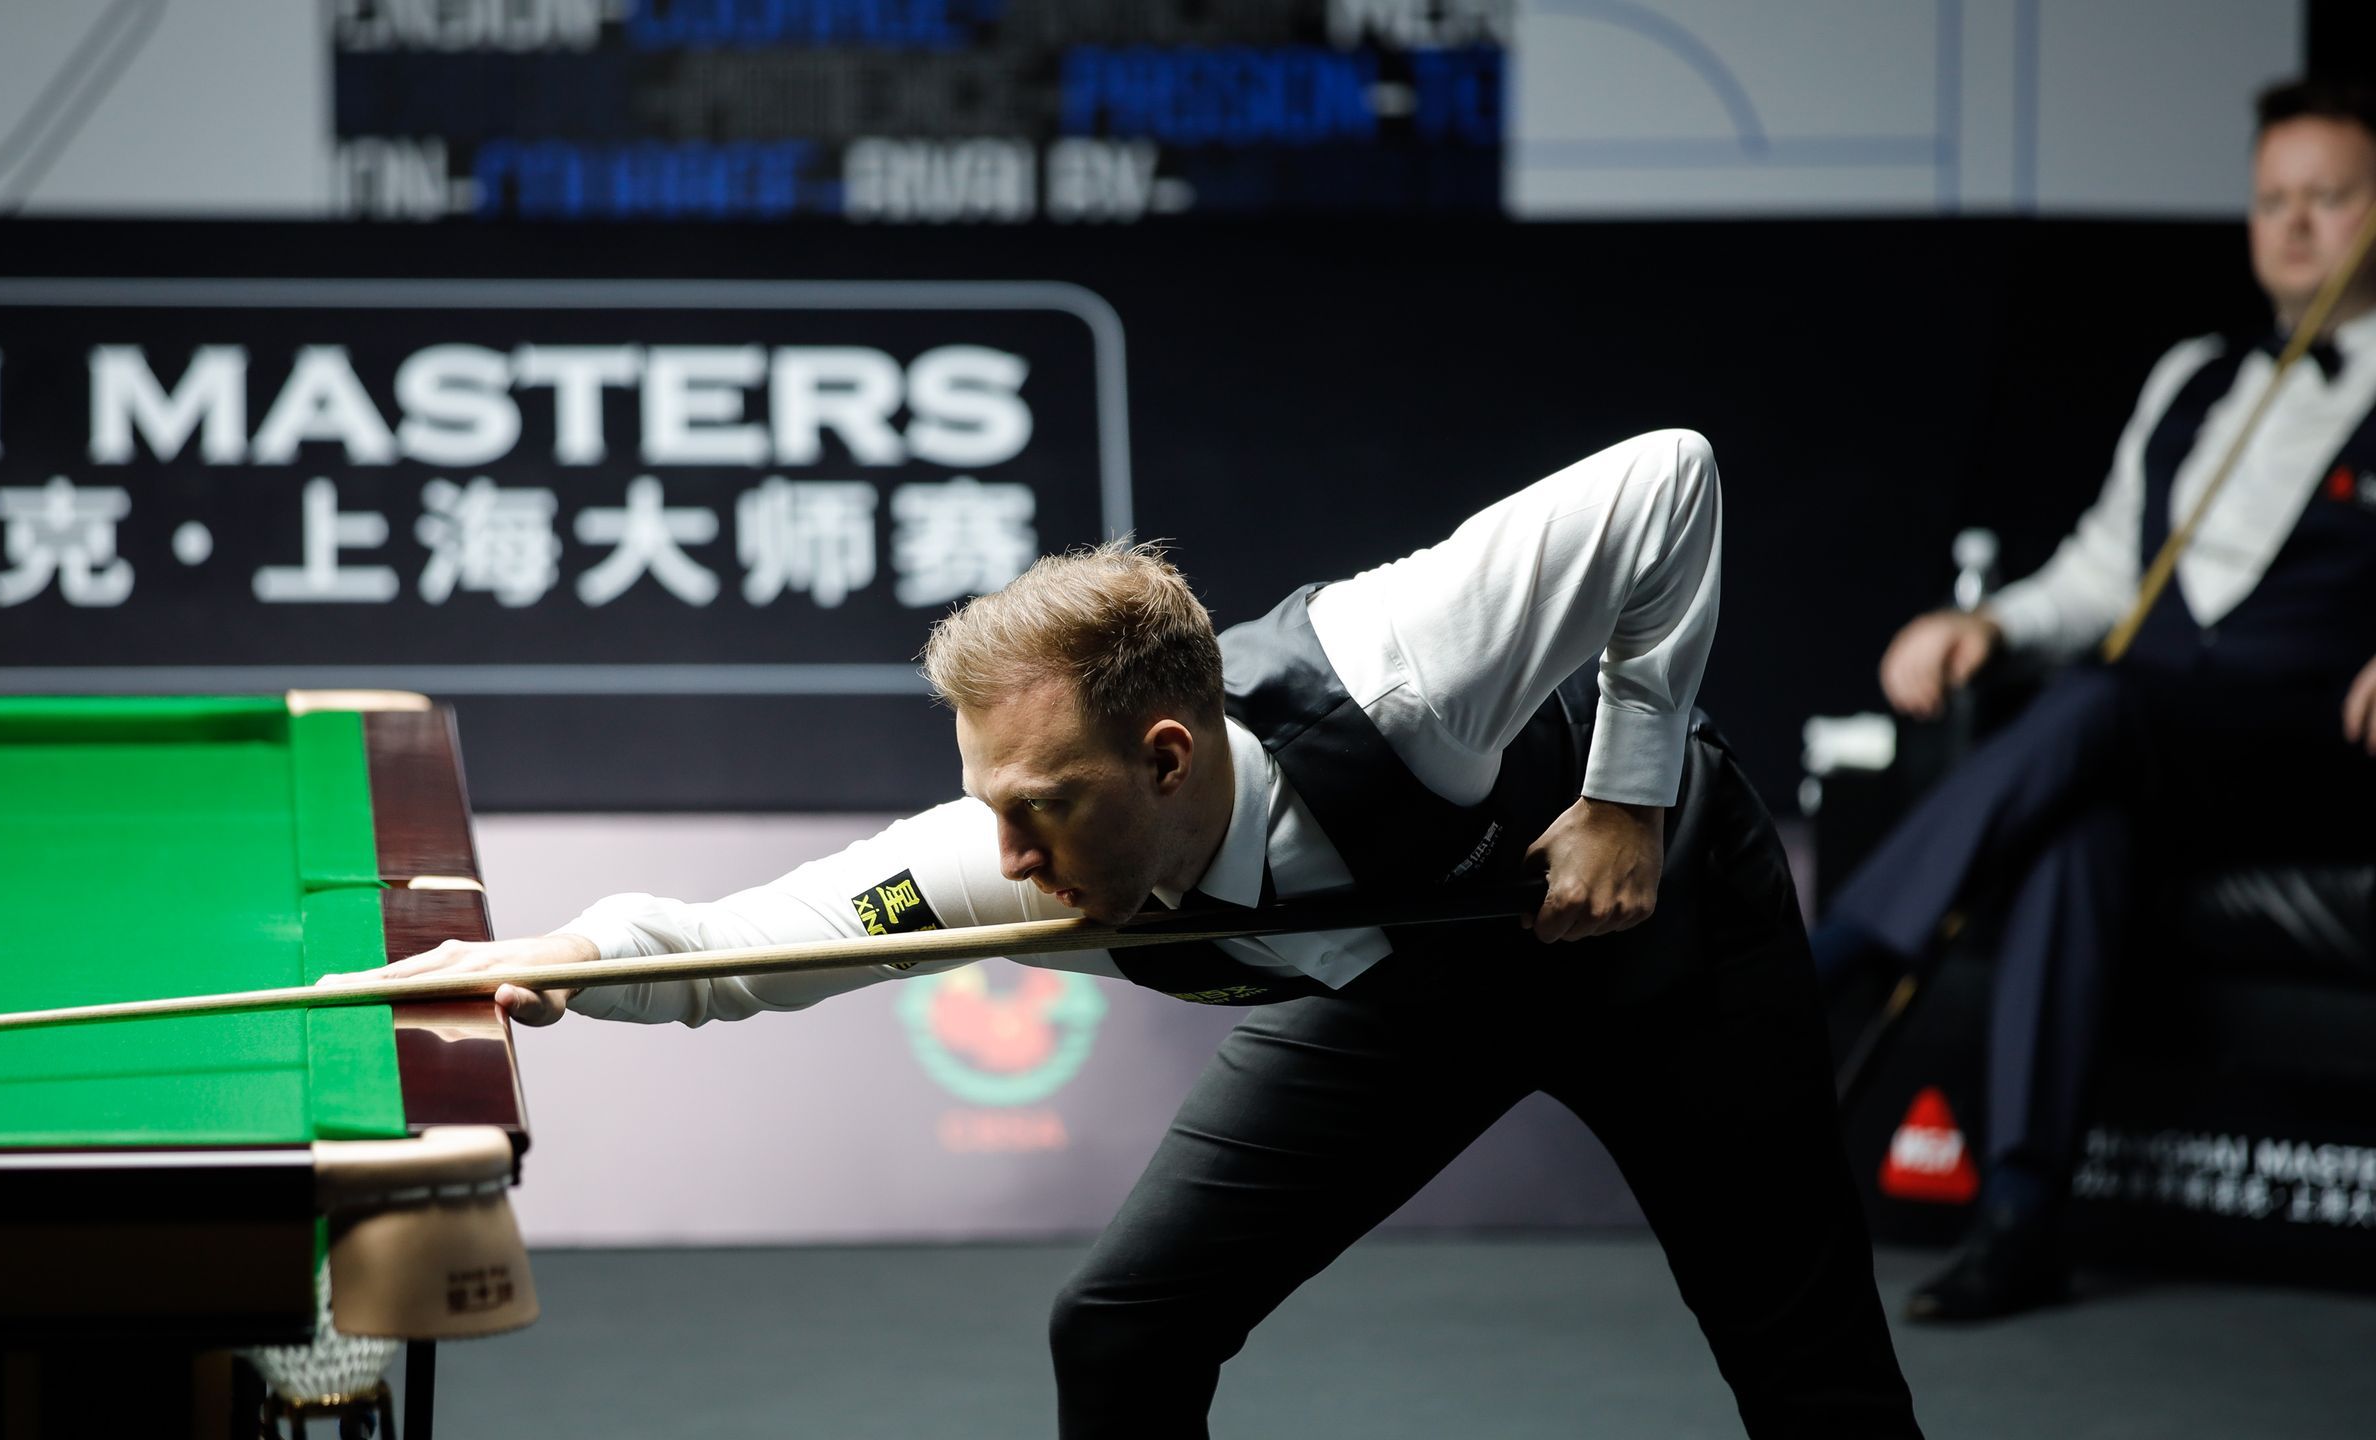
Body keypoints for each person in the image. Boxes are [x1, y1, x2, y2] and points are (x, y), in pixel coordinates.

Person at [344, 429, 1922, 1435]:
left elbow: (1671, 479)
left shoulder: (1401, 669)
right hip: (1402, 991)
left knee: (1806, 1369)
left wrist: (1631, 792)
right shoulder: (1016, 846)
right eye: (991, 807)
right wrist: (542, 961)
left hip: (1653, 940)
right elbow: (744, 939)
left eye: (1043, 807)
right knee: (1122, 1329)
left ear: (1170, 757)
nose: (1009, 856)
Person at [1818, 77, 2376, 1323]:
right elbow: (2094, 574)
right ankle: (2022, 1216)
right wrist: (1988, 622)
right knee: (2080, 820)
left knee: (2097, 708)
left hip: (2307, 763)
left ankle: (1834, 958)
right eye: (2271, 199)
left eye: (2328, 199)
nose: (2293, 227)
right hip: (2154, 744)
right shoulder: (2192, 380)